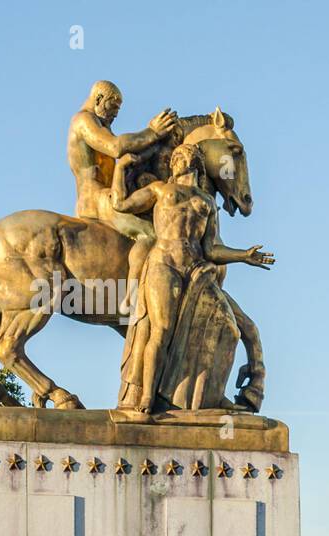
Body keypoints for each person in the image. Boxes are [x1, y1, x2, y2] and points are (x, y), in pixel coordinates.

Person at [110, 142, 274, 414]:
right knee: (160, 329)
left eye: (185, 156)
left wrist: (244, 255)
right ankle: (147, 396)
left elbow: (211, 249)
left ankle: (210, 394)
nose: (179, 159)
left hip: (196, 270)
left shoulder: (207, 202)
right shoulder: (160, 190)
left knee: (230, 328)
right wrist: (120, 168)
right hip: (164, 264)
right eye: (176, 156)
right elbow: (120, 203)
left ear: (195, 163)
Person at [67, 80, 179, 315]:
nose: (115, 115)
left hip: (106, 195)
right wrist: (152, 133)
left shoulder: (100, 123)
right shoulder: (83, 120)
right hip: (95, 199)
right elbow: (117, 147)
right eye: (112, 107)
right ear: (98, 99)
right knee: (153, 233)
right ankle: (133, 298)